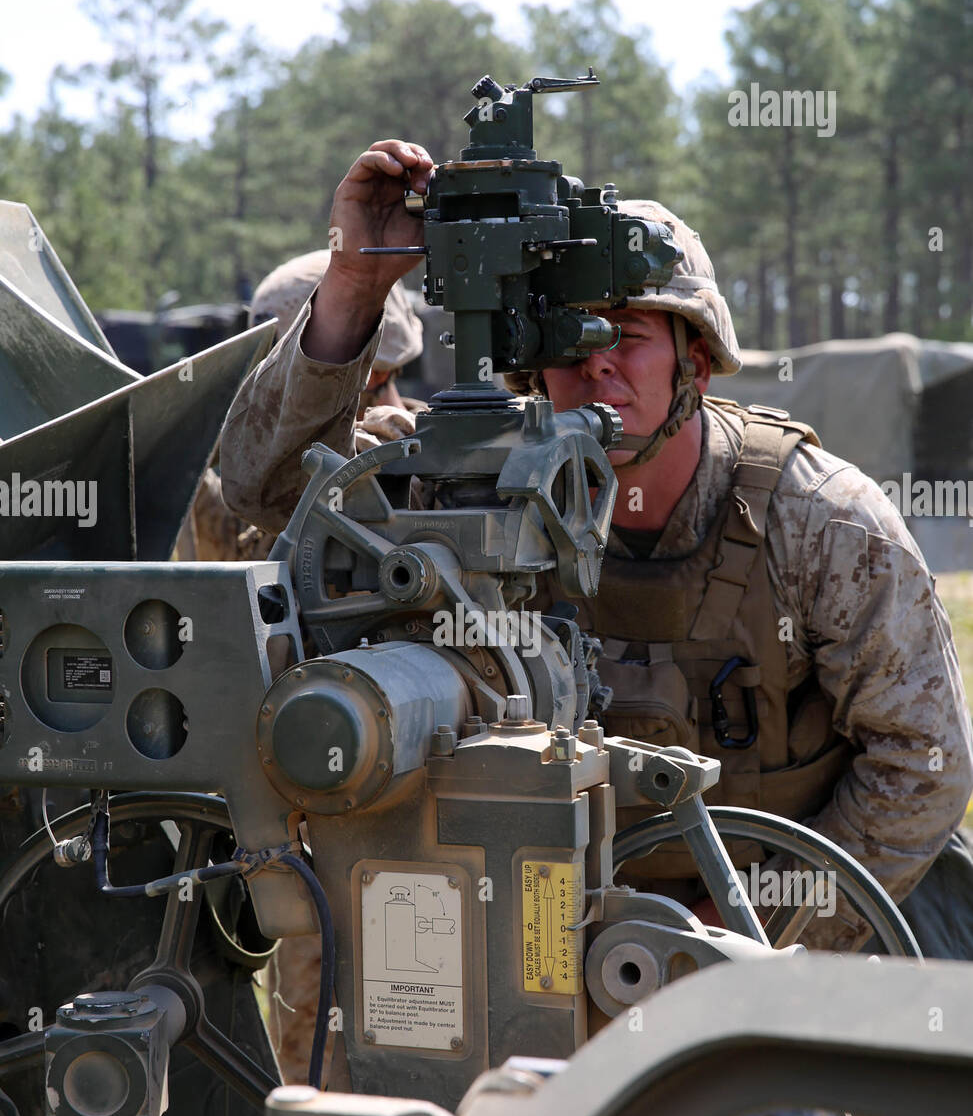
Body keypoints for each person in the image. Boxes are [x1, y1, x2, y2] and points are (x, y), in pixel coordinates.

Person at [220, 139, 973, 977]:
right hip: (506, 931)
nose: (597, 365)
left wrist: (725, 937)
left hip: (750, 953)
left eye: (628, 334)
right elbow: (264, 488)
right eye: (567, 339)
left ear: (693, 356)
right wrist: (357, 280)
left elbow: (921, 767)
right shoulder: (465, 483)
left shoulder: (821, 525)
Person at [184, 247, 424, 562]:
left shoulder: (424, 465)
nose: (272, 385)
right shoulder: (267, 485)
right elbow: (225, 536)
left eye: (288, 366)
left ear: (373, 370)